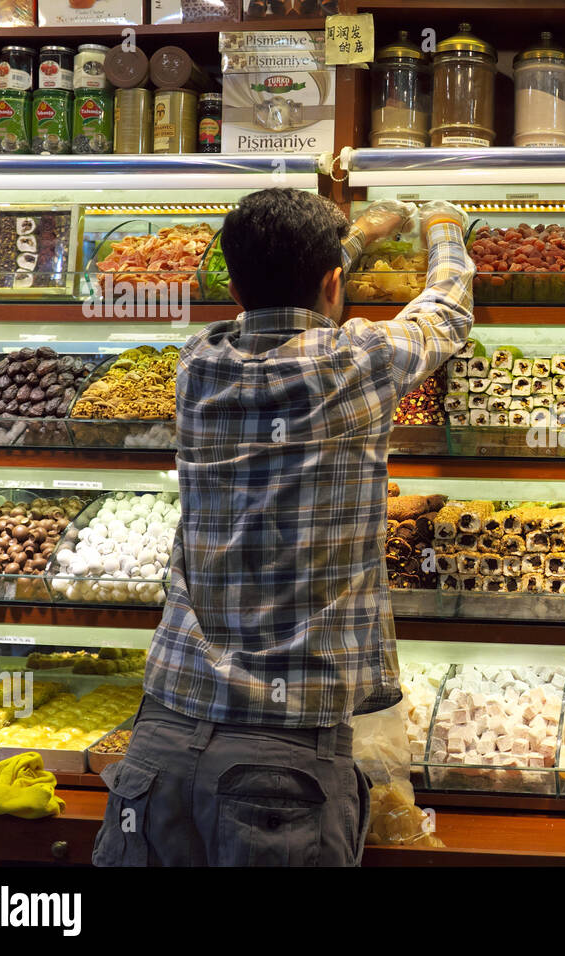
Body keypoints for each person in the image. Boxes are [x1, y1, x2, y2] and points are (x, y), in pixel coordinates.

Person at [92, 189, 473, 866]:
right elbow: (444, 312)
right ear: (334, 283)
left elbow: (290, 287)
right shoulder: (358, 360)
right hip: (286, 754)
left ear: (233, 286)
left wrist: (356, 238)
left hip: (166, 727)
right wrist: (444, 226)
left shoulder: (196, 362)